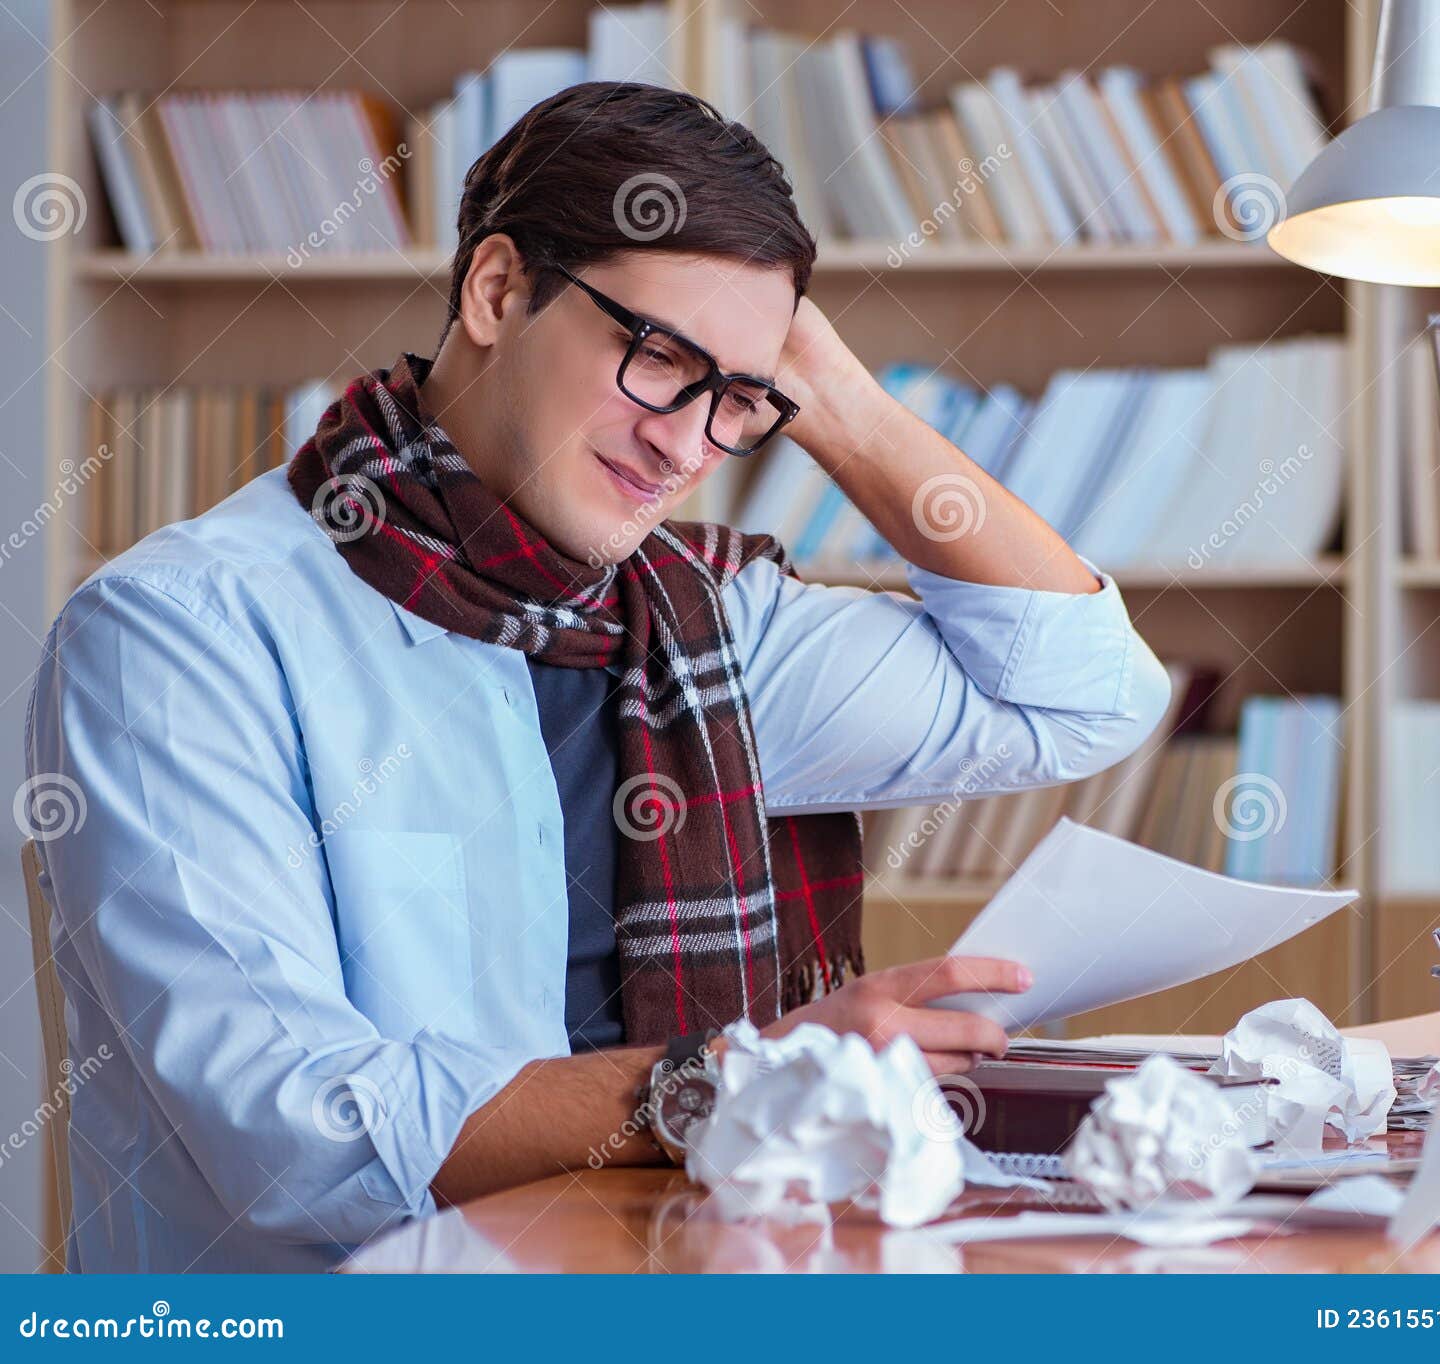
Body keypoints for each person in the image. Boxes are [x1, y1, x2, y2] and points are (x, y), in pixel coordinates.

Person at [24, 82, 1170, 1272]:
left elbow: (1084, 690)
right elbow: (294, 1136)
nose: (685, 444)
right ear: (497, 290)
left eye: (738, 399)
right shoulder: (177, 634)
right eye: (660, 358)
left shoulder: (706, 628)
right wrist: (728, 1082)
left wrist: (839, 405)